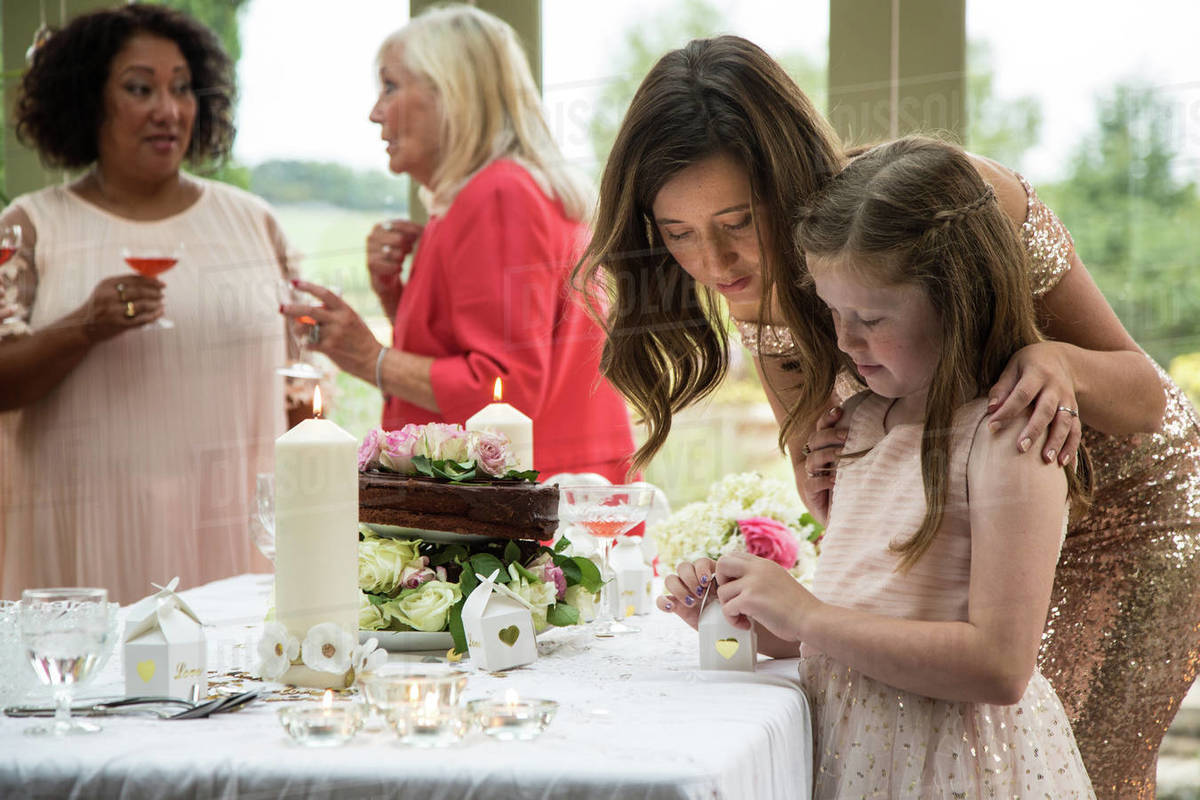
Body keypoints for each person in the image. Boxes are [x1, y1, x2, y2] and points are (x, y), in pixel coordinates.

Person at [577, 35, 1200, 798]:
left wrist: (1059, 361)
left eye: (738, 220)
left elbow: (1144, 397)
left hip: (1127, 515)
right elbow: (854, 524)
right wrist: (819, 486)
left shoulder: (944, 203)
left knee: (1042, 766)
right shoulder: (774, 302)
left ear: (785, 177)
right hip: (970, 532)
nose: (715, 263)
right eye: (678, 235)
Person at [664, 136, 1096, 796]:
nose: (843, 340)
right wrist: (750, 616)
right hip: (855, 750)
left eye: (869, 316)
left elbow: (999, 666)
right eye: (833, 312)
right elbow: (854, 625)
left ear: (959, 298)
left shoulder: (1008, 437)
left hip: (953, 767)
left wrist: (806, 616)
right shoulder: (858, 423)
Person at [0, 4, 296, 604]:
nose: (168, 109)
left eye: (182, 88)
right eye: (140, 88)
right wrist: (83, 326)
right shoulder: (30, 226)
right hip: (85, 542)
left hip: (232, 540)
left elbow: (299, 388)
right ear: (89, 101)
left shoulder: (254, 224)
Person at [283, 4, 634, 482]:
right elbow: (479, 354)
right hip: (556, 496)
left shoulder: (498, 195)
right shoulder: (494, 193)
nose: (374, 113)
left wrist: (371, 358)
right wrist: (397, 299)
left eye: (390, 86)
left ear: (452, 93)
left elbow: (504, 390)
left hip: (536, 516)